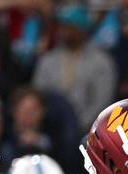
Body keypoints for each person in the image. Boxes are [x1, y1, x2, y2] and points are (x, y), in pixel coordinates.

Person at [31, 5, 117, 137]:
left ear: (81, 29)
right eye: (62, 27)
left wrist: (76, 126)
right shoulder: (48, 60)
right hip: (50, 129)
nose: (63, 31)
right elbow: (38, 95)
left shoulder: (101, 62)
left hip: (87, 131)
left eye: (69, 27)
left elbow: (102, 102)